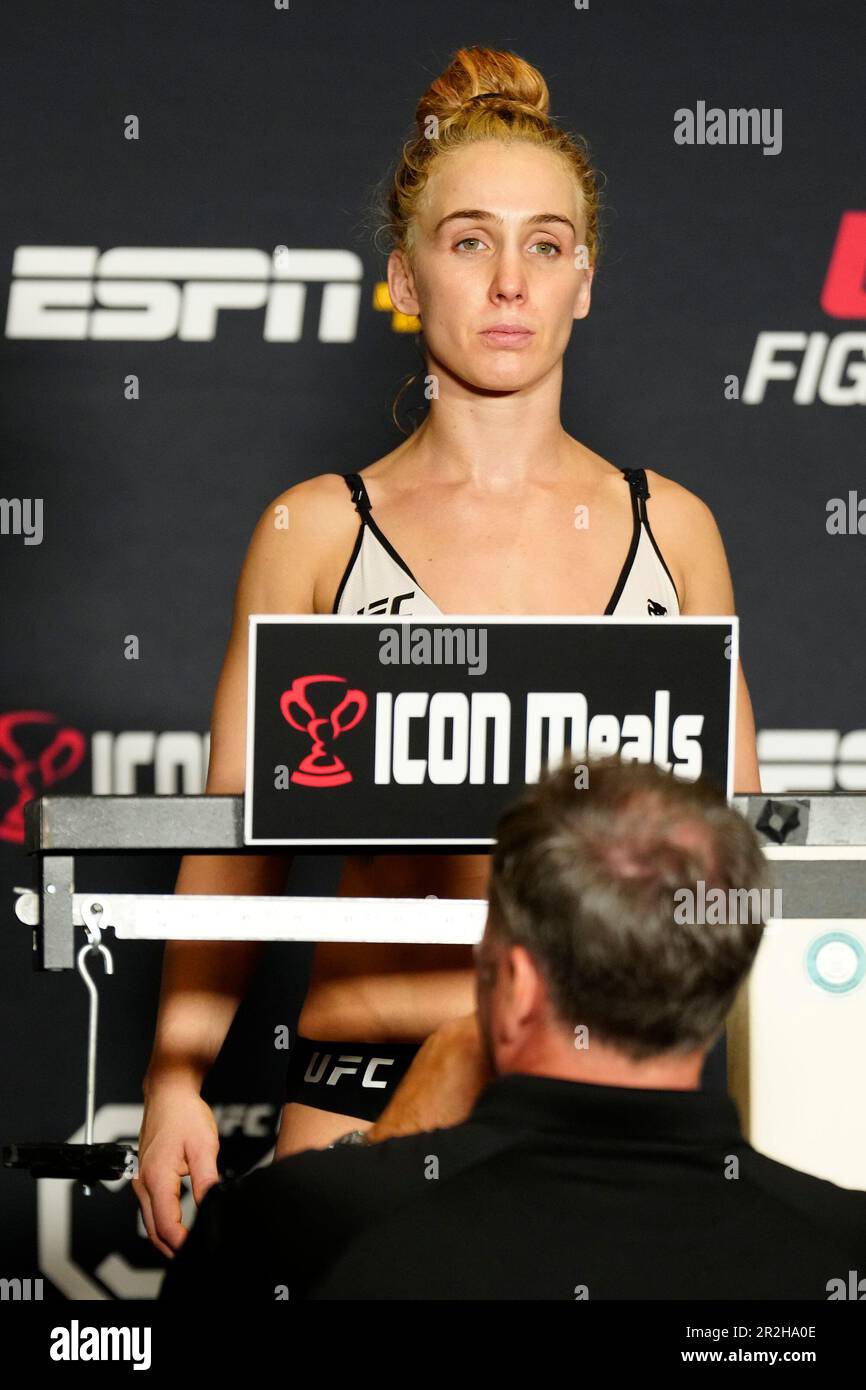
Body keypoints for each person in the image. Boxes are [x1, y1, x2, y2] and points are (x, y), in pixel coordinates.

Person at [136, 44, 762, 1260]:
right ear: (405, 280)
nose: (510, 280)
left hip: (614, 1096)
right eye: (468, 240)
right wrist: (173, 1078)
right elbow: (231, 847)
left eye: (545, 243)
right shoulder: (315, 531)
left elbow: (726, 860)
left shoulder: (669, 529)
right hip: (365, 1080)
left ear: (586, 277)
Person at [159, 758, 866, 1301]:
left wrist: (388, 1141)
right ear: (724, 975)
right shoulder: (842, 1252)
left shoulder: (278, 1231)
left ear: (518, 986)